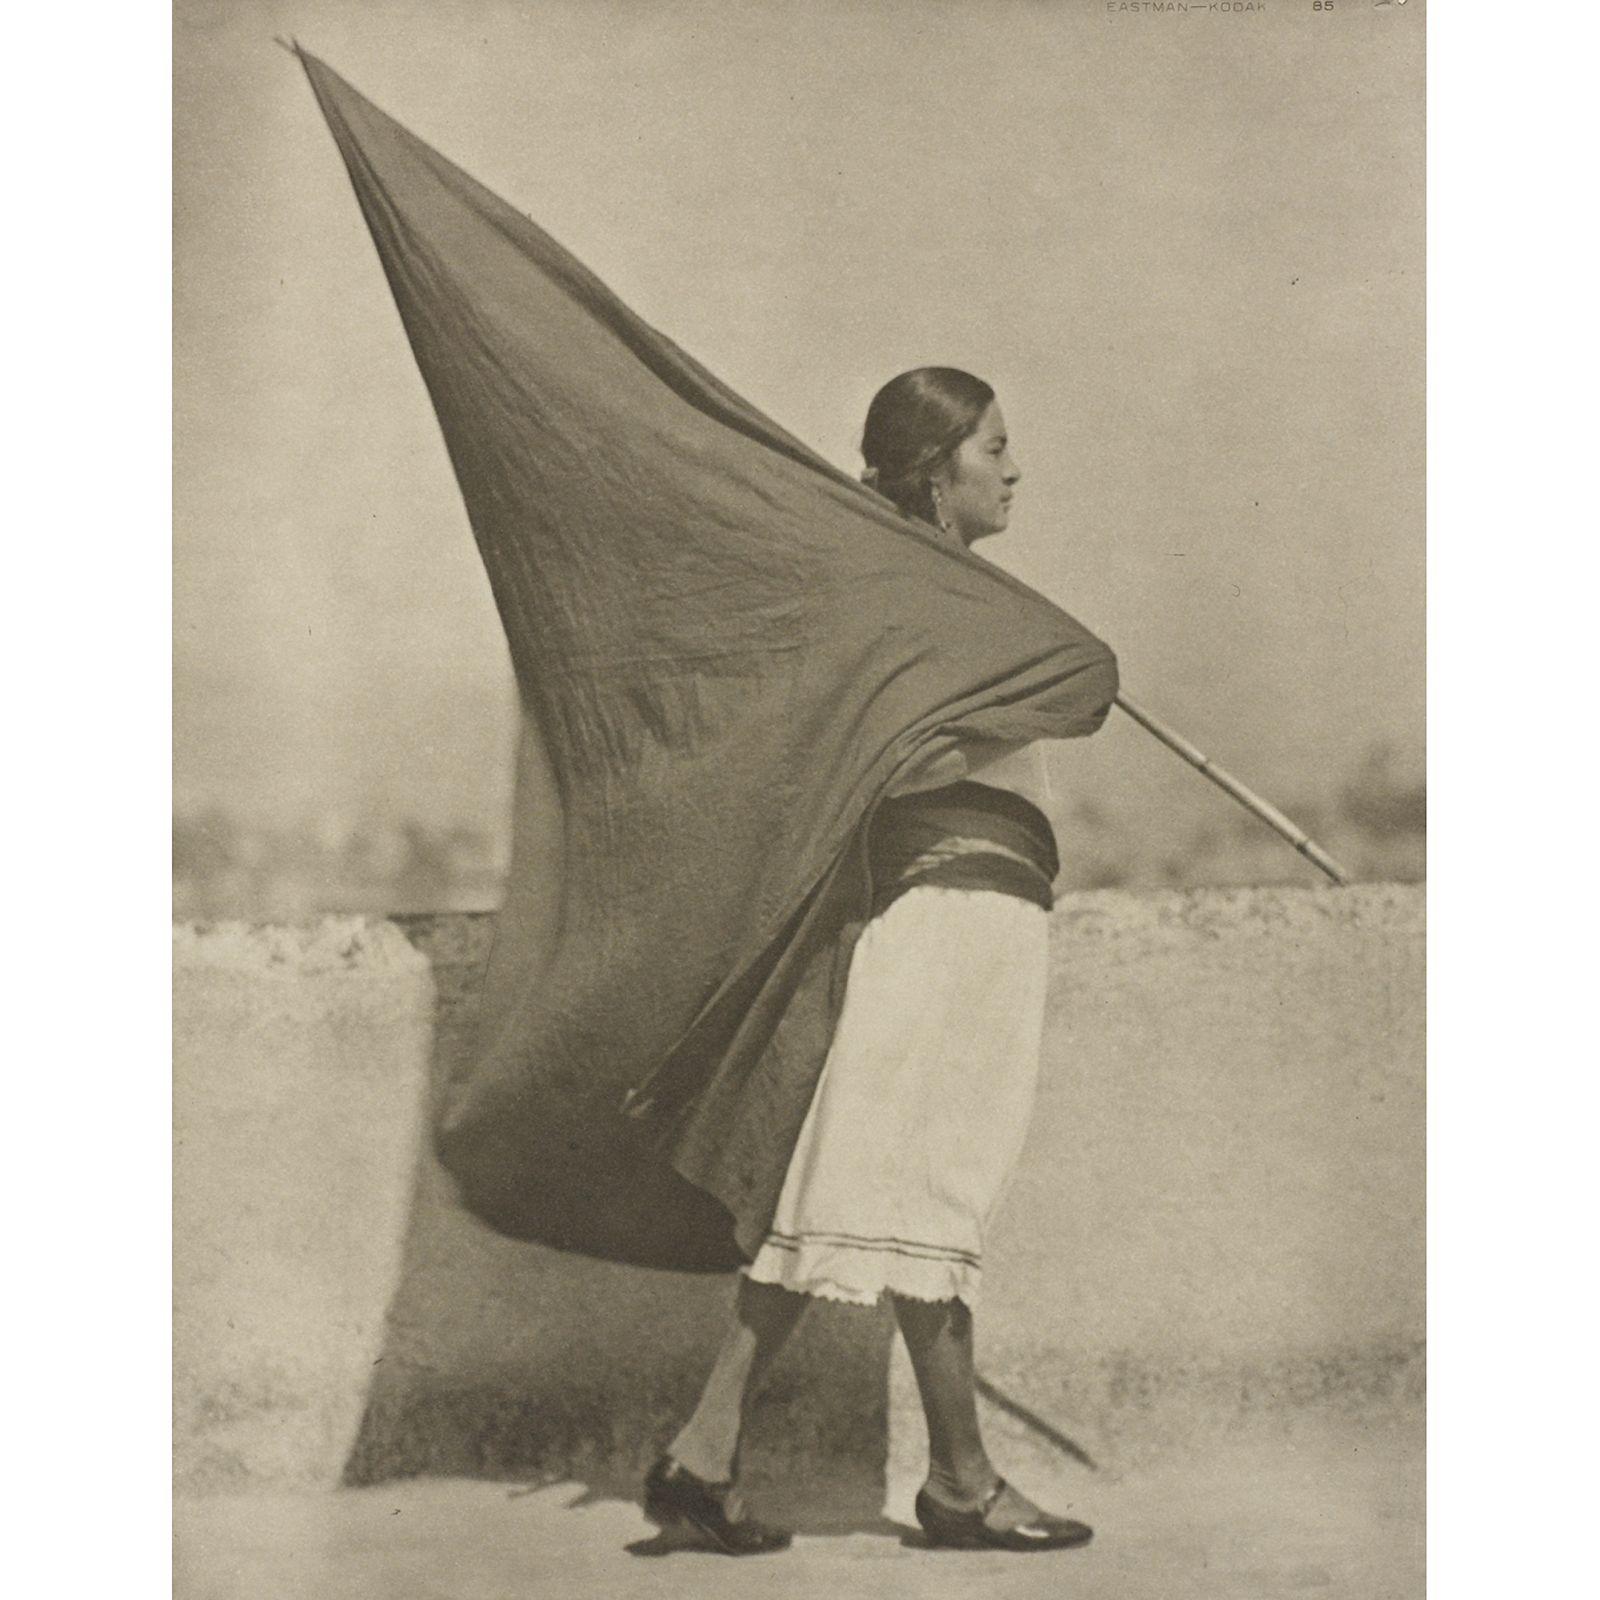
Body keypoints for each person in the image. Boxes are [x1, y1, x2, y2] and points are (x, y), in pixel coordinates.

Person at [641, 368, 1094, 1556]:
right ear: (937, 471)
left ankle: (706, 1454)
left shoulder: (937, 596)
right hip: (942, 919)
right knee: (915, 1187)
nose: (1012, 468)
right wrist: (1019, 678)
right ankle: (959, 1484)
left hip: (967, 914)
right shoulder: (910, 602)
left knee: (849, 1191)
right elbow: (894, 749)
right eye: (993, 448)